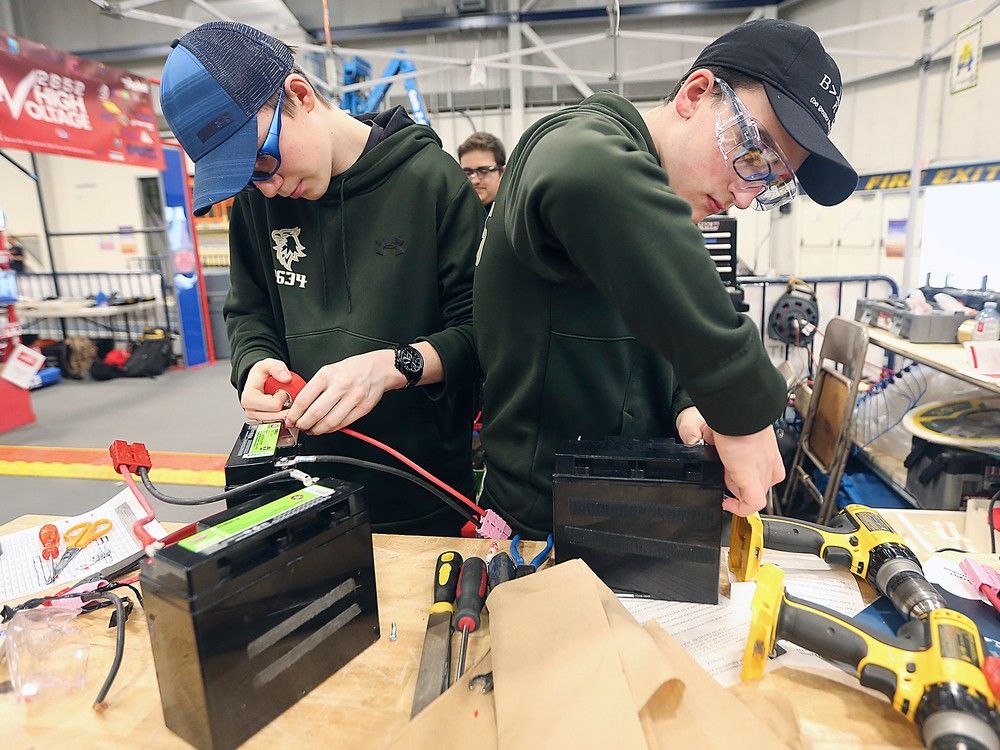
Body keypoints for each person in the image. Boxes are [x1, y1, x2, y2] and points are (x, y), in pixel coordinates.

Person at [474, 19, 859, 538]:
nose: (745, 196)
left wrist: (689, 405)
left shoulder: (666, 210)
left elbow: (652, 337)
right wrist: (740, 402)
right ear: (696, 94)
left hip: (633, 515)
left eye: (770, 181)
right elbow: (581, 172)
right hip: (540, 527)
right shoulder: (574, 142)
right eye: (751, 154)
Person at [160, 22, 484, 535]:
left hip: (423, 491)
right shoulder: (258, 202)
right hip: (305, 490)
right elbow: (249, 311)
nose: (265, 188)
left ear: (300, 95)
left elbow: (480, 337)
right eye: (246, 177)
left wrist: (392, 366)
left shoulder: (432, 182)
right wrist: (254, 364)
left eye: (263, 160)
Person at [458, 132, 506, 212]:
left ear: (502, 172)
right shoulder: (453, 217)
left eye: (483, 171)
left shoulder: (515, 217)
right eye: (467, 172)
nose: (474, 180)